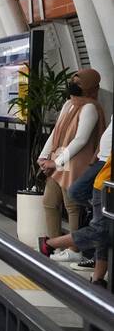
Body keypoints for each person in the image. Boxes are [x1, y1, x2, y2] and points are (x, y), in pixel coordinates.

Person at [37, 69, 106, 259]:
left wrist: (55, 162)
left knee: (72, 206)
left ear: (91, 86)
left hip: (75, 162)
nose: (73, 83)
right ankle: (53, 245)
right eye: (73, 79)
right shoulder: (69, 104)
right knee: (49, 202)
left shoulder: (90, 107)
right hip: (59, 159)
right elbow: (56, 131)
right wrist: (43, 156)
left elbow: (81, 140)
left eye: (79, 81)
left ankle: (74, 250)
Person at [40, 121, 111, 287]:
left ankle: (98, 277)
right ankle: (50, 244)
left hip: (103, 172)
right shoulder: (76, 107)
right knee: (101, 227)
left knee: (103, 227)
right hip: (105, 174)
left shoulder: (87, 108)